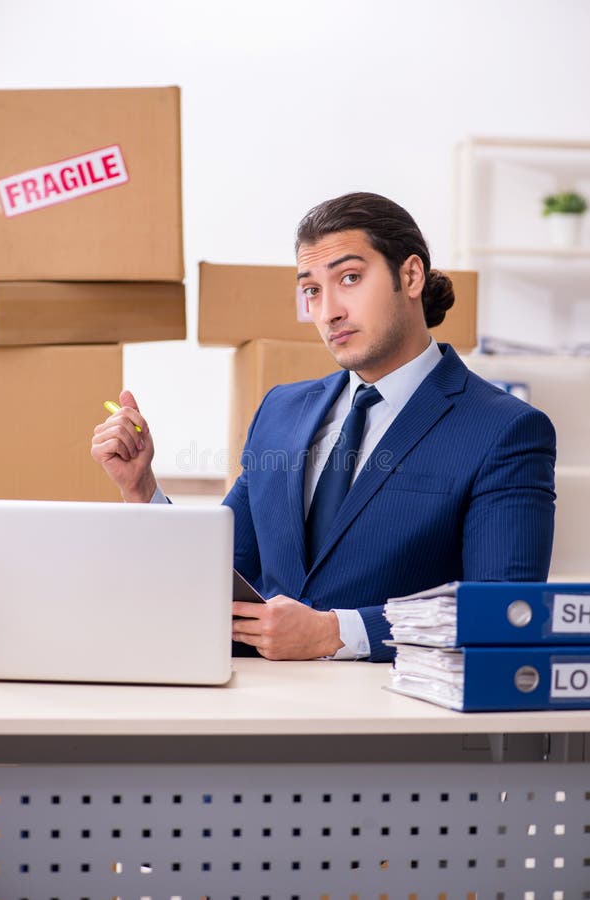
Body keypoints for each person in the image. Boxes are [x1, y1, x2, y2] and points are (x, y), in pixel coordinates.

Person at [91, 192, 556, 663]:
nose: (328, 310)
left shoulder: (505, 429)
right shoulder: (280, 410)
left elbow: (507, 610)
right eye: (312, 289)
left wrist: (337, 633)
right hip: (252, 708)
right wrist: (142, 490)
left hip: (396, 718)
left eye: (349, 278)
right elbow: (223, 574)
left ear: (410, 275)